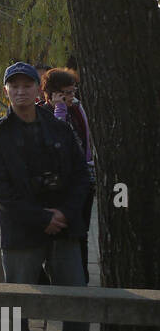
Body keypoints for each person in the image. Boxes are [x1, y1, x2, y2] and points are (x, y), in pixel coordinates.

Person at [0, 62, 101, 331]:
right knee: (15, 305)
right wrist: (41, 218)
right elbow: (1, 192)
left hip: (64, 229)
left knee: (75, 300)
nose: (20, 91)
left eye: (27, 85)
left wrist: (64, 214)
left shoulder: (59, 128)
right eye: (14, 86)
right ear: (6, 91)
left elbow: (81, 176)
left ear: (38, 90)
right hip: (22, 234)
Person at [41, 66, 95, 283]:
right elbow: (57, 146)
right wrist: (60, 109)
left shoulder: (77, 109)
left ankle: (83, 279)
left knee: (82, 233)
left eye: (74, 91)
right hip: (59, 187)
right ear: (54, 94)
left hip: (84, 179)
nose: (73, 96)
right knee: (63, 236)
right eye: (67, 92)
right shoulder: (44, 114)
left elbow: (86, 141)